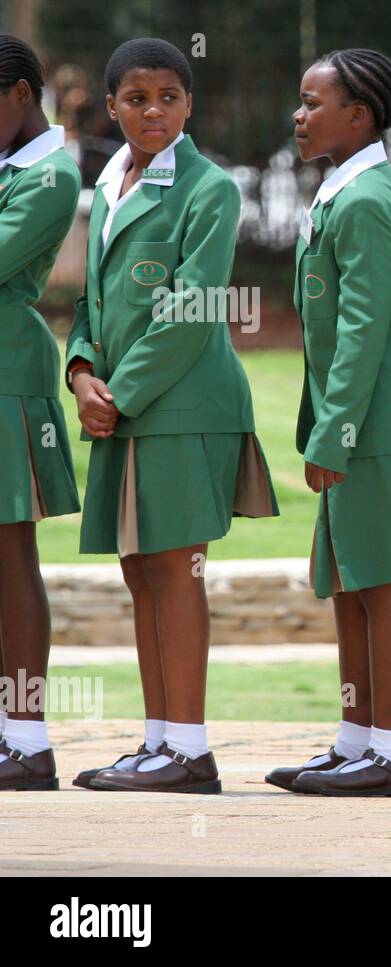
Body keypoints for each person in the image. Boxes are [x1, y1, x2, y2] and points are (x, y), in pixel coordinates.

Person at [69, 38, 279, 795]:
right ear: (112, 106)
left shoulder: (210, 189)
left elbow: (192, 310)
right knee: (139, 569)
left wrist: (116, 393)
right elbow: (92, 300)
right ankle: (157, 741)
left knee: (175, 568)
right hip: (122, 403)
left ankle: (188, 749)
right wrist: (82, 371)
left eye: (166, 97)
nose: (151, 111)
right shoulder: (112, 181)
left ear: (189, 104)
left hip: (184, 405)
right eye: (134, 98)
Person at [267, 48, 391, 798]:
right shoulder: (350, 190)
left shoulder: (365, 200)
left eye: (313, 102)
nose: (299, 114)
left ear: (358, 117)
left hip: (386, 426)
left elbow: (362, 330)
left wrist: (334, 430)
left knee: (386, 584)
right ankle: (357, 742)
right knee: (355, 581)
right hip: (369, 423)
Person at [0, 34, 82, 791]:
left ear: (22, 93)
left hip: (7, 373)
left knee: (10, 552)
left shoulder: (51, 173)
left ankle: (26, 739)